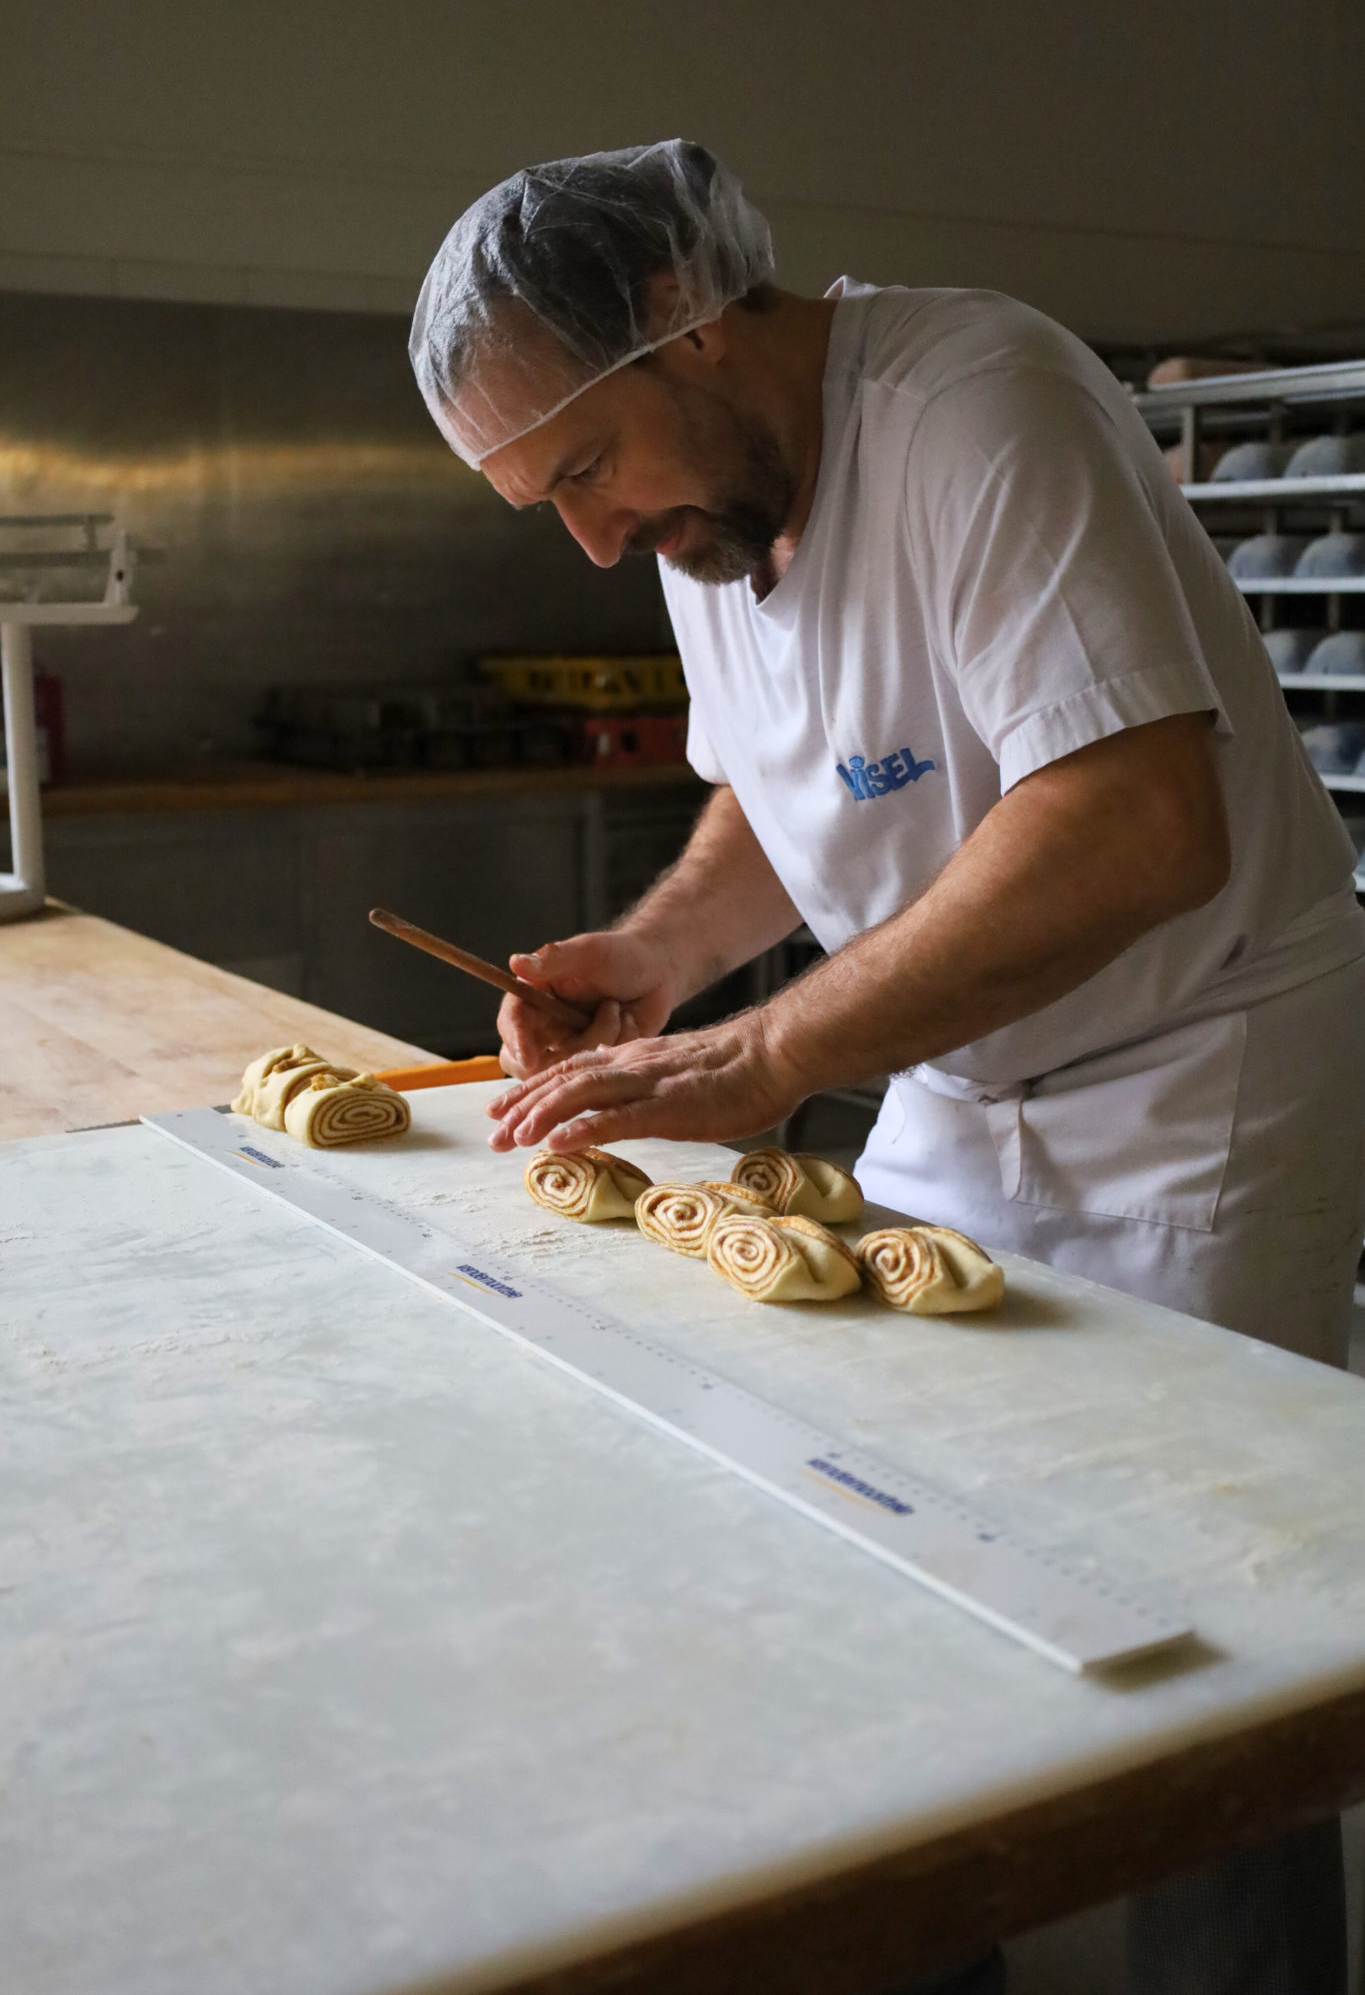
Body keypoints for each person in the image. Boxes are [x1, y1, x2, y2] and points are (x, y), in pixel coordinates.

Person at [410, 141, 1360, 1995]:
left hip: (1195, 1070)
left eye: (583, 469)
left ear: (683, 317)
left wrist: (766, 1048)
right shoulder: (704, 507)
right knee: (884, 1526)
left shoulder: (977, 405)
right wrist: (663, 957)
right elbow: (789, 783)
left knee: (1209, 1631)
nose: (591, 539)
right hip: (955, 1067)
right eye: (543, 502)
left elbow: (1135, 822)